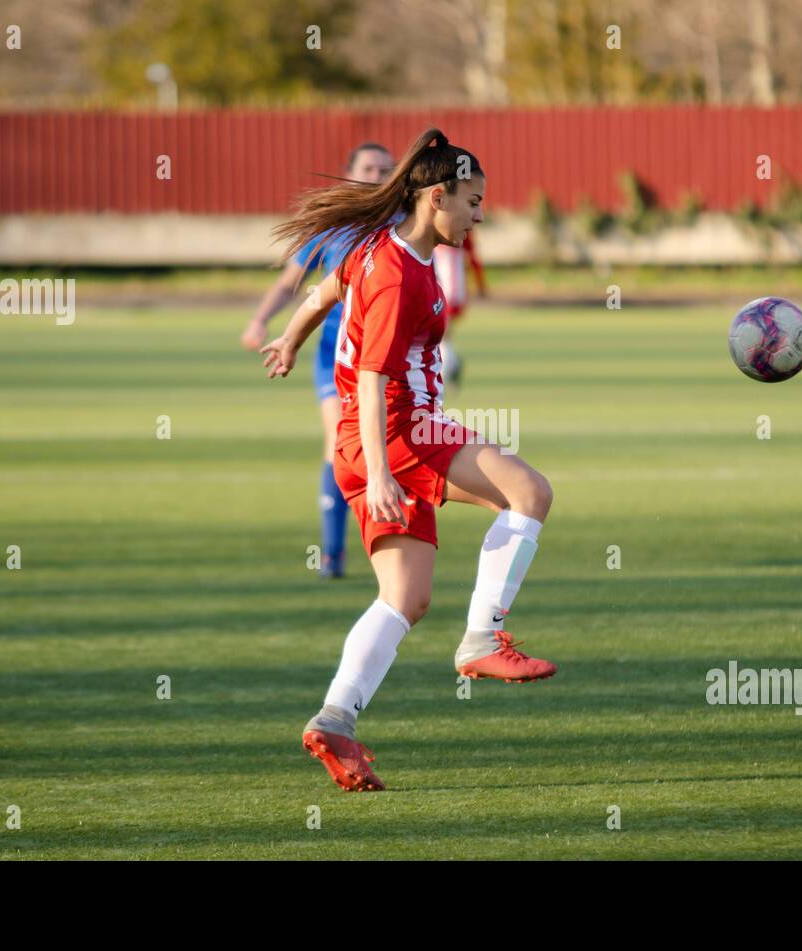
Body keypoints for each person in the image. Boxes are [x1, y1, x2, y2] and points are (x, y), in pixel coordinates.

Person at [260, 128, 556, 792]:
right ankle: (482, 639)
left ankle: (335, 719)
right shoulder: (397, 274)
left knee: (405, 597)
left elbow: (323, 293)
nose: (479, 214)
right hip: (400, 432)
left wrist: (287, 338)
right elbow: (370, 379)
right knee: (530, 492)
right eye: (473, 201)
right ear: (435, 196)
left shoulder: (373, 250)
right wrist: (388, 470)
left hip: (368, 445)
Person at [242, 142, 395, 579]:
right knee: (339, 443)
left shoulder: (402, 224)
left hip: (384, 354)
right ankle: (332, 552)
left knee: (388, 443)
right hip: (336, 354)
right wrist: (260, 320)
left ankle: (394, 545)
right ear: (348, 173)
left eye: (386, 169)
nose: (378, 175)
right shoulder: (333, 228)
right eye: (368, 167)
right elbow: (293, 282)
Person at [432, 230, 486, 386]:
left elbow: (472, 256)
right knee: (443, 336)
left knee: (443, 335)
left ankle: (447, 372)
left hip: (450, 288)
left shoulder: (460, 228)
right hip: (446, 287)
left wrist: (480, 283)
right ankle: (452, 367)